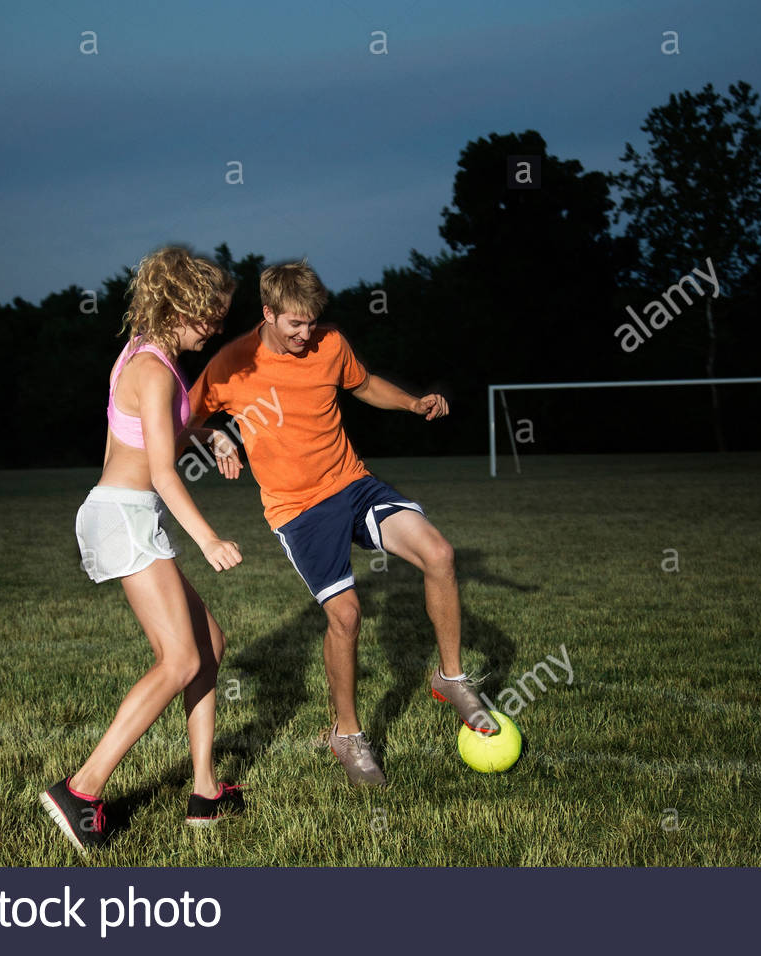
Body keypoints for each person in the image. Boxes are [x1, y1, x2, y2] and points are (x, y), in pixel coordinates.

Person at [187, 260, 496, 789]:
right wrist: (216, 435)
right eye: (295, 325)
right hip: (299, 509)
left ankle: (450, 677)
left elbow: (365, 383)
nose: (308, 335)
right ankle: (347, 735)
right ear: (268, 314)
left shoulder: (329, 342)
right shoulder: (232, 363)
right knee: (347, 616)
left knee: (440, 554)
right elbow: (183, 414)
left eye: (313, 322)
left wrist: (412, 402)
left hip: (352, 482)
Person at [40, 246, 246, 851]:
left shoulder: (143, 351)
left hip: (125, 513)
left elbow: (159, 431)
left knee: (208, 645)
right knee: (179, 659)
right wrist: (207, 538)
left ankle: (205, 790)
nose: (215, 327)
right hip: (125, 516)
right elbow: (160, 469)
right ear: (180, 303)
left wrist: (211, 433)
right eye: (210, 314)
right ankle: (81, 790)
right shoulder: (154, 370)